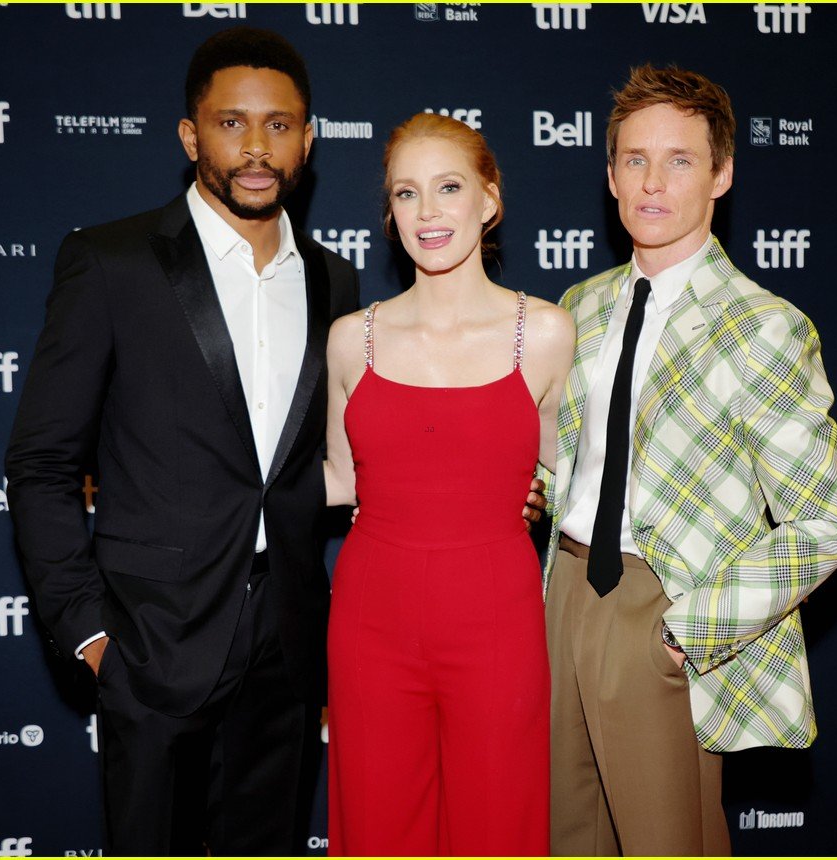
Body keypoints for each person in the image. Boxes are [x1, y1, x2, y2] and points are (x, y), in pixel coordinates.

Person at [4, 27, 360, 856]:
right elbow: (42, 463)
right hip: (152, 642)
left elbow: (331, 459)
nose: (257, 147)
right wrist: (89, 631)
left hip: (289, 643)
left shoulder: (332, 278)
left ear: (308, 139)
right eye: (232, 123)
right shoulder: (112, 261)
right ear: (190, 135)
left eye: (280, 124)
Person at [544, 64, 837, 856]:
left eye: (679, 160)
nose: (653, 182)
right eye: (634, 159)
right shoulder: (578, 308)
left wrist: (687, 631)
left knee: (665, 844)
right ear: (610, 173)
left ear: (720, 173)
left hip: (665, 609)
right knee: (561, 836)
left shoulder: (765, 326)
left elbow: (821, 525)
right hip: (561, 596)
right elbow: (570, 470)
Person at [321, 113, 575, 856]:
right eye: (406, 193)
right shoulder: (351, 338)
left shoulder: (548, 333)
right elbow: (337, 479)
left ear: (489, 201)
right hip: (372, 618)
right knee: (376, 828)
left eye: (449, 187)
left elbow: (576, 482)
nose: (427, 212)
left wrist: (537, 495)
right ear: (390, 213)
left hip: (497, 616)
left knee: (499, 827)